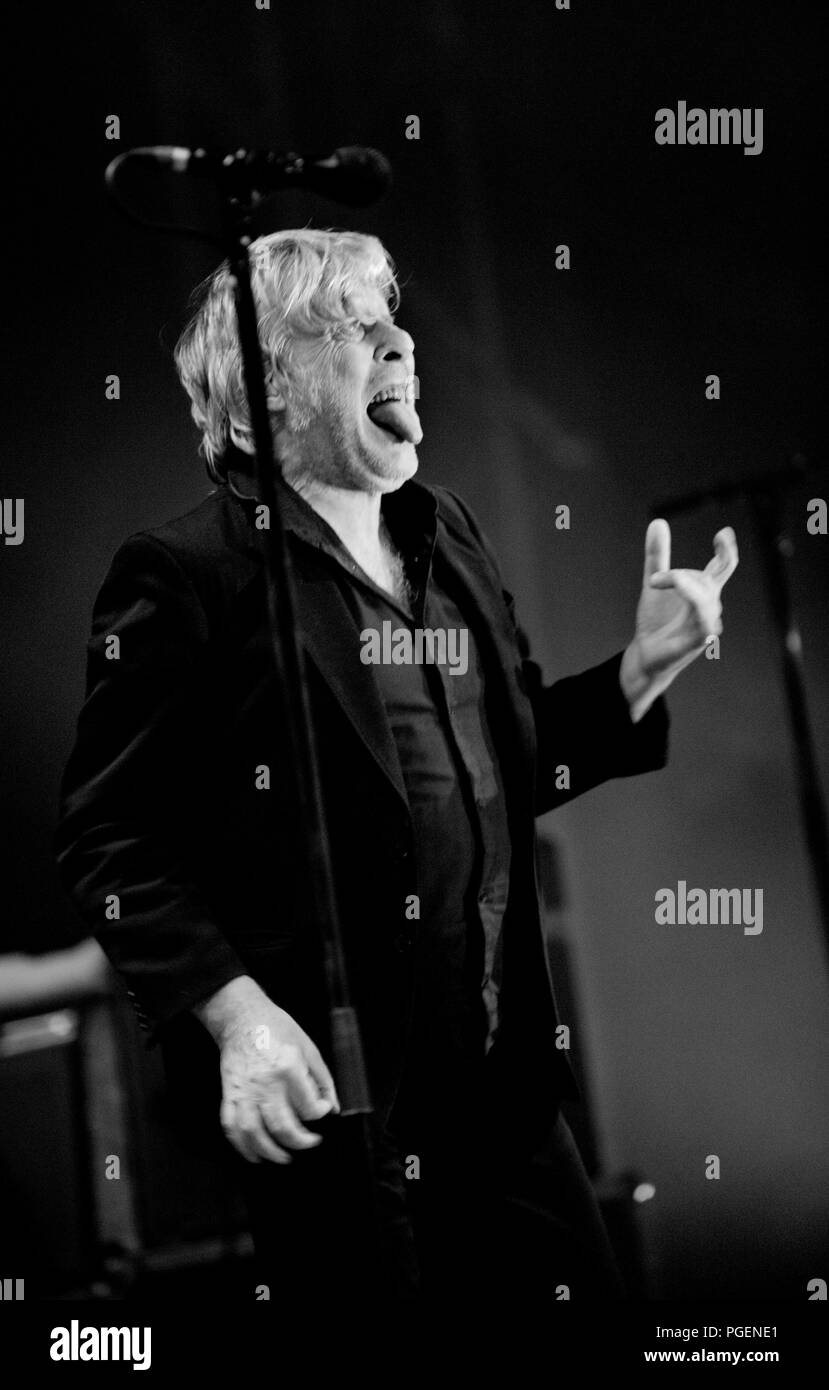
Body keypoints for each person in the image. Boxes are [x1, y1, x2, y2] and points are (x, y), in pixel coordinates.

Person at [54, 229, 738, 1303]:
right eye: (346, 325)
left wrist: (637, 674)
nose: (396, 341)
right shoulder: (188, 575)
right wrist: (238, 1017)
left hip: (500, 1080)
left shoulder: (444, 533)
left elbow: (503, 766)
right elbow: (109, 840)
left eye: (390, 314)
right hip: (337, 1099)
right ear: (264, 391)